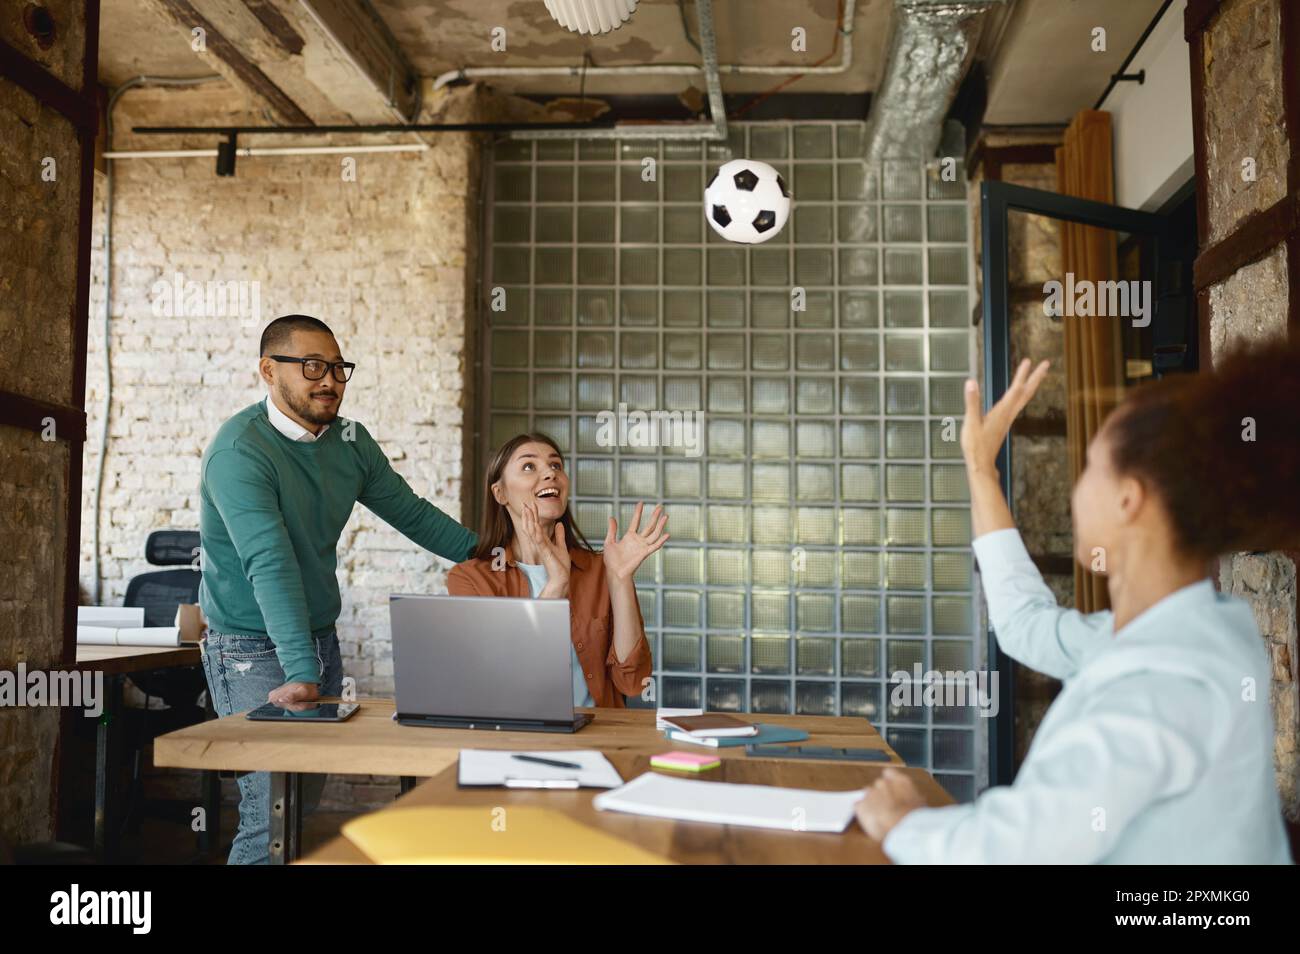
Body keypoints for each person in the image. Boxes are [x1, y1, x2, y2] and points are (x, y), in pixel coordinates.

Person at [856, 341, 1299, 863]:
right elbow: (1024, 622)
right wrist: (980, 469)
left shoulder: (1165, 684)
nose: (1075, 489)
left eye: (1089, 466)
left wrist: (906, 824)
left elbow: (1022, 851)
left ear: (1128, 499)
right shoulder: (1185, 637)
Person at [198, 314, 477, 864]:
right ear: (267, 371)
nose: (329, 380)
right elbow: (269, 562)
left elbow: (413, 514)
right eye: (312, 367)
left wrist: (494, 553)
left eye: (337, 368)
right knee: (270, 813)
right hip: (251, 648)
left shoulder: (349, 440)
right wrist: (301, 671)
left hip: (317, 635)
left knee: (302, 805)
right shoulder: (239, 452)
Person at [447, 434, 663, 707]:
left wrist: (619, 580)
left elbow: (632, 682)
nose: (550, 473)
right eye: (529, 466)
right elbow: (499, 681)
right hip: (515, 732)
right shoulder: (470, 579)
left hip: (597, 734)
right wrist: (557, 585)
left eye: (556, 465)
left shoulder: (601, 569)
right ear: (500, 493)